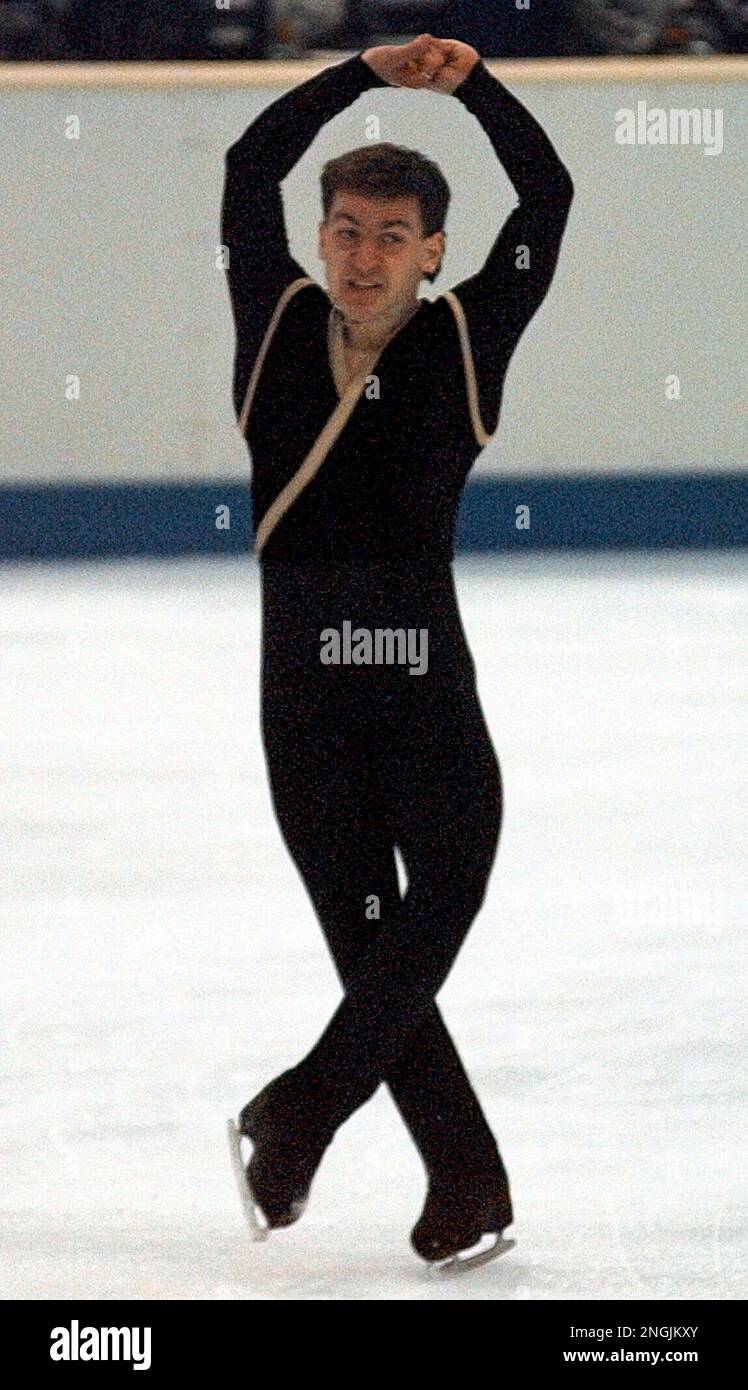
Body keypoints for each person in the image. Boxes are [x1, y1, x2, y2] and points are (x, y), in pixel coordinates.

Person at [222, 32, 573, 1264]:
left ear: (434, 251)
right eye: (347, 231)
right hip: (303, 667)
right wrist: (360, 73)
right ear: (321, 239)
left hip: (412, 654)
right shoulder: (270, 319)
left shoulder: (470, 334)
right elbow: (251, 159)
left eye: (391, 237)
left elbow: (549, 195)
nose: (364, 258)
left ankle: (338, 1125)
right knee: (378, 927)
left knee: (444, 882)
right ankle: (415, 1158)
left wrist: (469, 86)